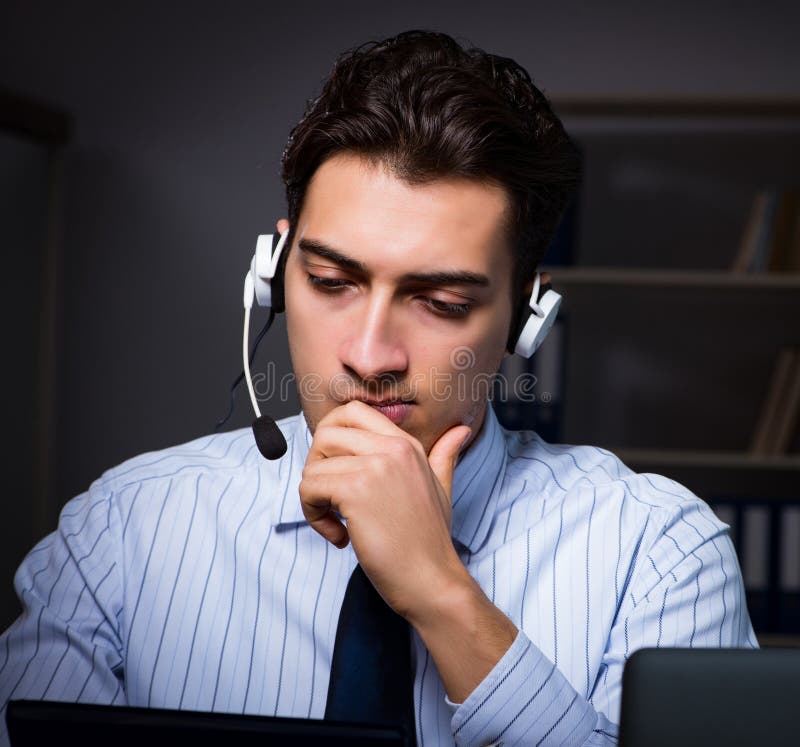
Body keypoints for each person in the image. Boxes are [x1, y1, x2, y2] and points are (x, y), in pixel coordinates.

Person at [0, 30, 755, 747]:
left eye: (442, 302)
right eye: (331, 282)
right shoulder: (122, 533)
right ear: (272, 275)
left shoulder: (657, 552)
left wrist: (438, 589)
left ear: (530, 316)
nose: (368, 355)